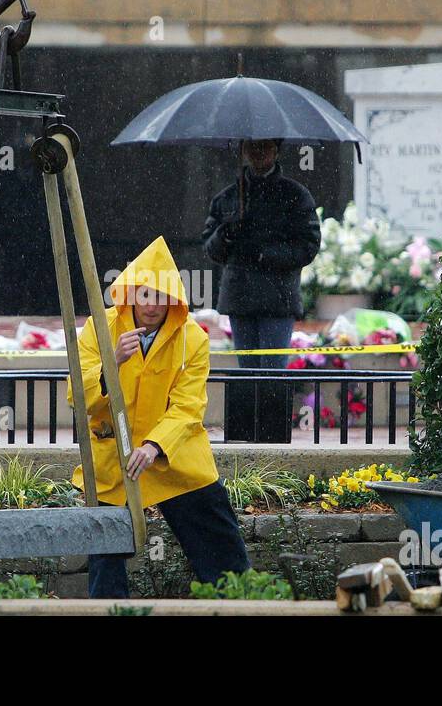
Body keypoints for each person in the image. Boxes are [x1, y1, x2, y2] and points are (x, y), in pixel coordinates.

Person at [70, 236, 250, 598]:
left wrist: (154, 446)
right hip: (114, 460)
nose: (153, 305)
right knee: (106, 566)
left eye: (162, 296)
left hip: (175, 461)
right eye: (146, 294)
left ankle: (241, 606)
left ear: (175, 300)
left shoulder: (193, 340)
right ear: (132, 292)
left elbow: (188, 406)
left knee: (224, 557)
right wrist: (113, 361)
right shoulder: (99, 328)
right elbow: (78, 395)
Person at [202, 138, 321, 368]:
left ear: (276, 150)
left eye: (265, 146)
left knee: (272, 376)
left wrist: (265, 254)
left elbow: (308, 245)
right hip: (240, 298)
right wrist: (226, 233)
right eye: (253, 147)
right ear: (244, 150)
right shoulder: (228, 198)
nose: (259, 152)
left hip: (277, 300)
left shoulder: (294, 195)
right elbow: (211, 248)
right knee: (247, 375)